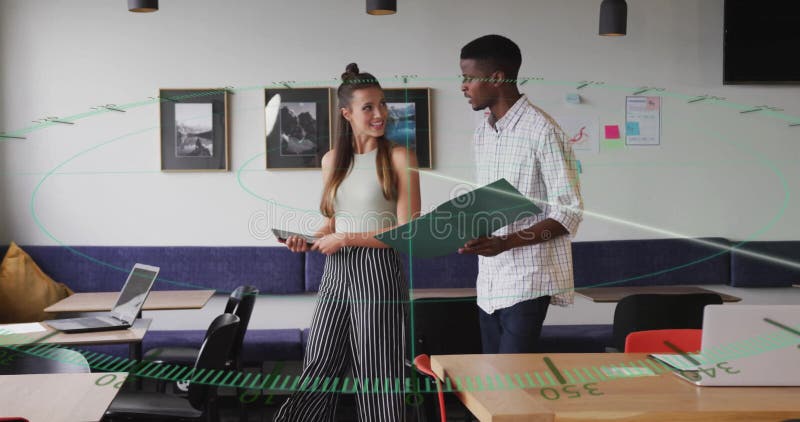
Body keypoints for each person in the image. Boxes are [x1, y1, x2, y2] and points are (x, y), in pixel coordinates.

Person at [274, 63, 421, 422]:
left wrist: (347, 238)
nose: (379, 114)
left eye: (382, 105)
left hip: (379, 272)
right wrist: (309, 240)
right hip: (337, 272)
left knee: (378, 371)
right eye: (368, 107)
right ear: (347, 113)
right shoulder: (331, 161)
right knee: (319, 362)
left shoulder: (400, 158)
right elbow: (333, 221)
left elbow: (408, 234)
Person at [457, 35, 584, 354]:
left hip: (528, 280)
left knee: (510, 386)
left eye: (469, 77)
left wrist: (506, 242)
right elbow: (490, 204)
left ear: (497, 78)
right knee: (492, 386)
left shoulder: (543, 131)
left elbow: (568, 212)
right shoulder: (483, 133)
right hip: (488, 283)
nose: (463, 86)